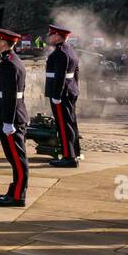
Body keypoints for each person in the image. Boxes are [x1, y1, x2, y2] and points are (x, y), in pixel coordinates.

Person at [0, 27, 29, 207]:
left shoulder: (9, 64)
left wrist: (8, 122)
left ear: (4, 42)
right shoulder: (10, 61)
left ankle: (18, 195)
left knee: (17, 159)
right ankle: (14, 191)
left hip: (11, 119)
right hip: (10, 116)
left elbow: (11, 96)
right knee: (14, 158)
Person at [45, 24, 82, 167]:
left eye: (51, 35)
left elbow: (60, 76)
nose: (49, 37)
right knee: (71, 123)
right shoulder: (70, 50)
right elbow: (76, 74)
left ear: (58, 36)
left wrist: (56, 95)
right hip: (70, 91)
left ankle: (69, 157)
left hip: (61, 94)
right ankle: (74, 152)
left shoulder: (60, 52)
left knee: (63, 125)